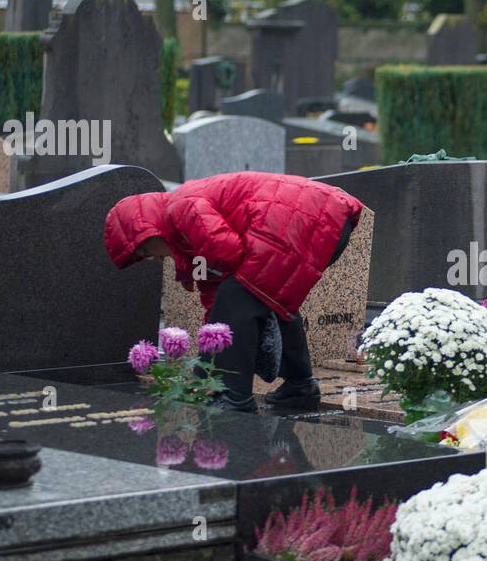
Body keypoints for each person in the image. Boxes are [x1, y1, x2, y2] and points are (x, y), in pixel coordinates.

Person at [103, 171, 364, 413]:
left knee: (242, 295)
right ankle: (300, 387)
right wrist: (208, 362)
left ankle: (234, 397)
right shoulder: (182, 234)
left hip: (302, 216)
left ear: (148, 231)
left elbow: (228, 252)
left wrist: (210, 370)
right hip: (322, 216)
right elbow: (214, 295)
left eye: (146, 251)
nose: (156, 259)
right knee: (267, 296)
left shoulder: (179, 209)